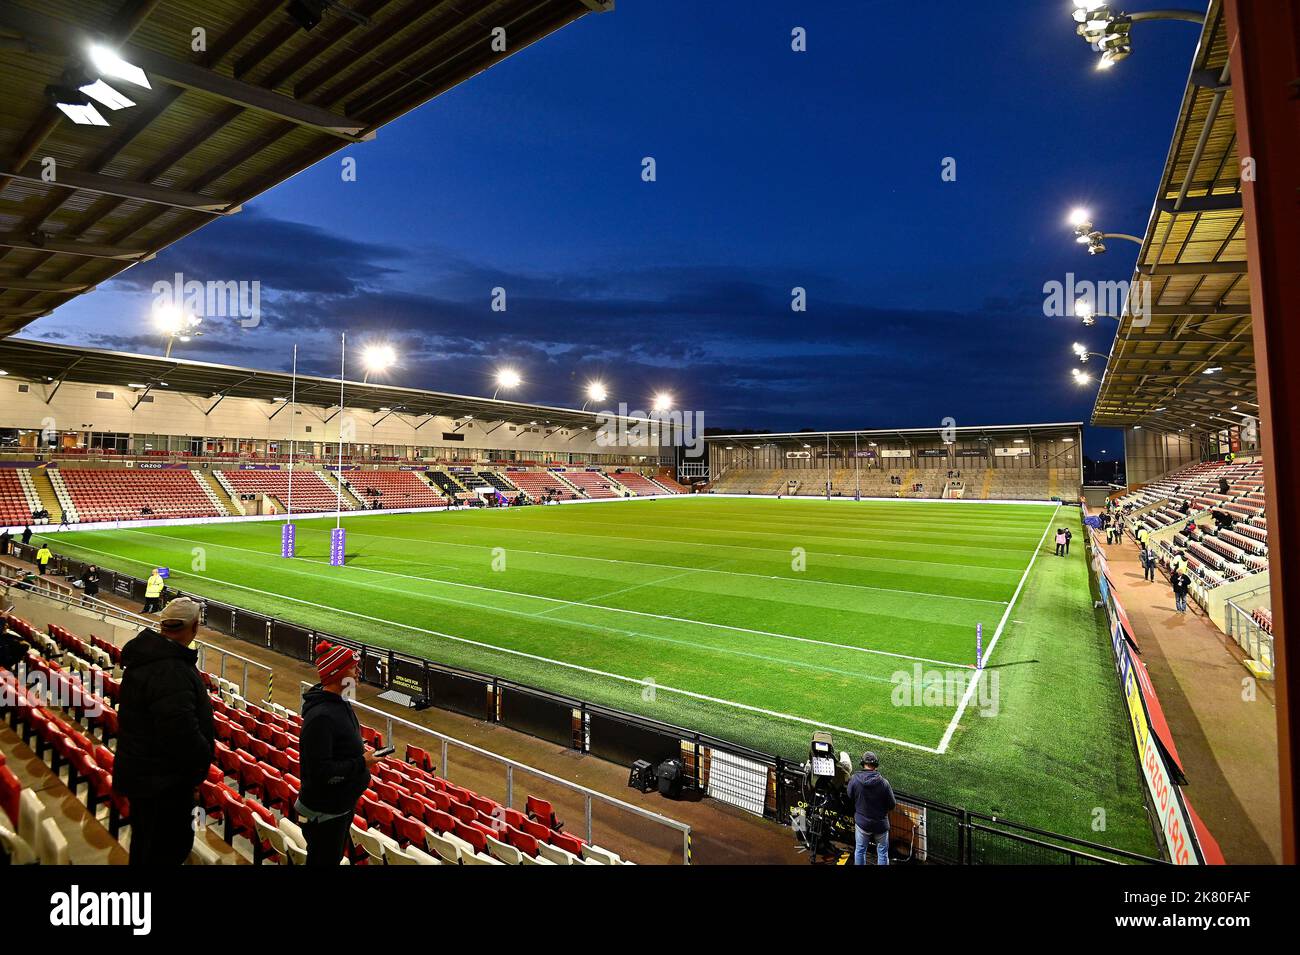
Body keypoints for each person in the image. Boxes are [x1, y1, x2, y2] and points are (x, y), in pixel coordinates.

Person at [113, 598, 215, 865]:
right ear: (194, 627)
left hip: (146, 777)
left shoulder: (147, 657)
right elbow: (181, 736)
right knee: (165, 850)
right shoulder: (170, 670)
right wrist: (197, 772)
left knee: (147, 844)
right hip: (164, 785)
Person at [296, 641, 378, 866]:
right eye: (353, 668)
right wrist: (362, 762)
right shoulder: (322, 717)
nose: (359, 673)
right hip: (326, 814)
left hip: (337, 809)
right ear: (337, 674)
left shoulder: (337, 703)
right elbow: (321, 771)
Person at [846, 751, 896, 865]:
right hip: (880, 824)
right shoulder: (884, 783)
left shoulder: (854, 779)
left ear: (863, 763)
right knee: (882, 853)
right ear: (876, 765)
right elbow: (892, 804)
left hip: (862, 823)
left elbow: (849, 795)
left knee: (860, 851)